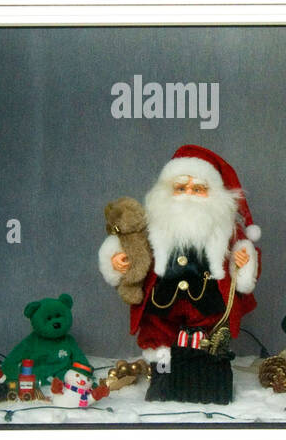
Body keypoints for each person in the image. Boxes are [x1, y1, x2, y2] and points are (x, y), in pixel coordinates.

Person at [99, 145, 260, 367]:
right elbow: (135, 245)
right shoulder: (154, 222)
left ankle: (204, 362)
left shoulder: (223, 228)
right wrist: (118, 259)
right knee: (157, 324)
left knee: (209, 329)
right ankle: (161, 364)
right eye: (181, 188)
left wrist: (242, 262)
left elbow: (243, 253)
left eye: (198, 190)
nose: (188, 196)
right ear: (167, 190)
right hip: (162, 298)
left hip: (207, 300)